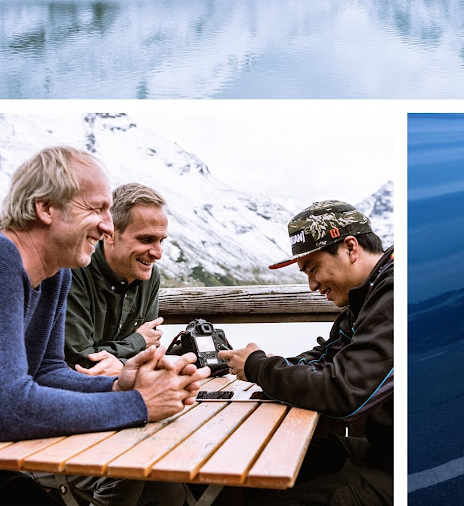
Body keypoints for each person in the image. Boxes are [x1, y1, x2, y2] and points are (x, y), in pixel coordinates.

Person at [0, 146, 208, 504]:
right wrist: (139, 404)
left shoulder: (57, 274)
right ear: (45, 207)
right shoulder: (3, 262)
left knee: (162, 484)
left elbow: (48, 372)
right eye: (96, 208)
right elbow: (9, 406)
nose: (108, 226)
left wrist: (119, 386)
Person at [219, 200, 394, 506]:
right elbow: (327, 357)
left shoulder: (394, 295)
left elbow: (344, 392)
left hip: (403, 470)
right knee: (262, 461)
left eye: (313, 268)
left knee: (270, 497)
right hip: (381, 452)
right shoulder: (366, 297)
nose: (312, 285)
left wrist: (260, 368)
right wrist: (264, 364)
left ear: (351, 248)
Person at [65, 182, 168, 376]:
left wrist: (121, 364)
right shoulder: (74, 269)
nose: (158, 253)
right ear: (110, 234)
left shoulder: (150, 274)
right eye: (146, 239)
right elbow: (80, 361)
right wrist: (137, 341)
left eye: (161, 241)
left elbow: (149, 352)